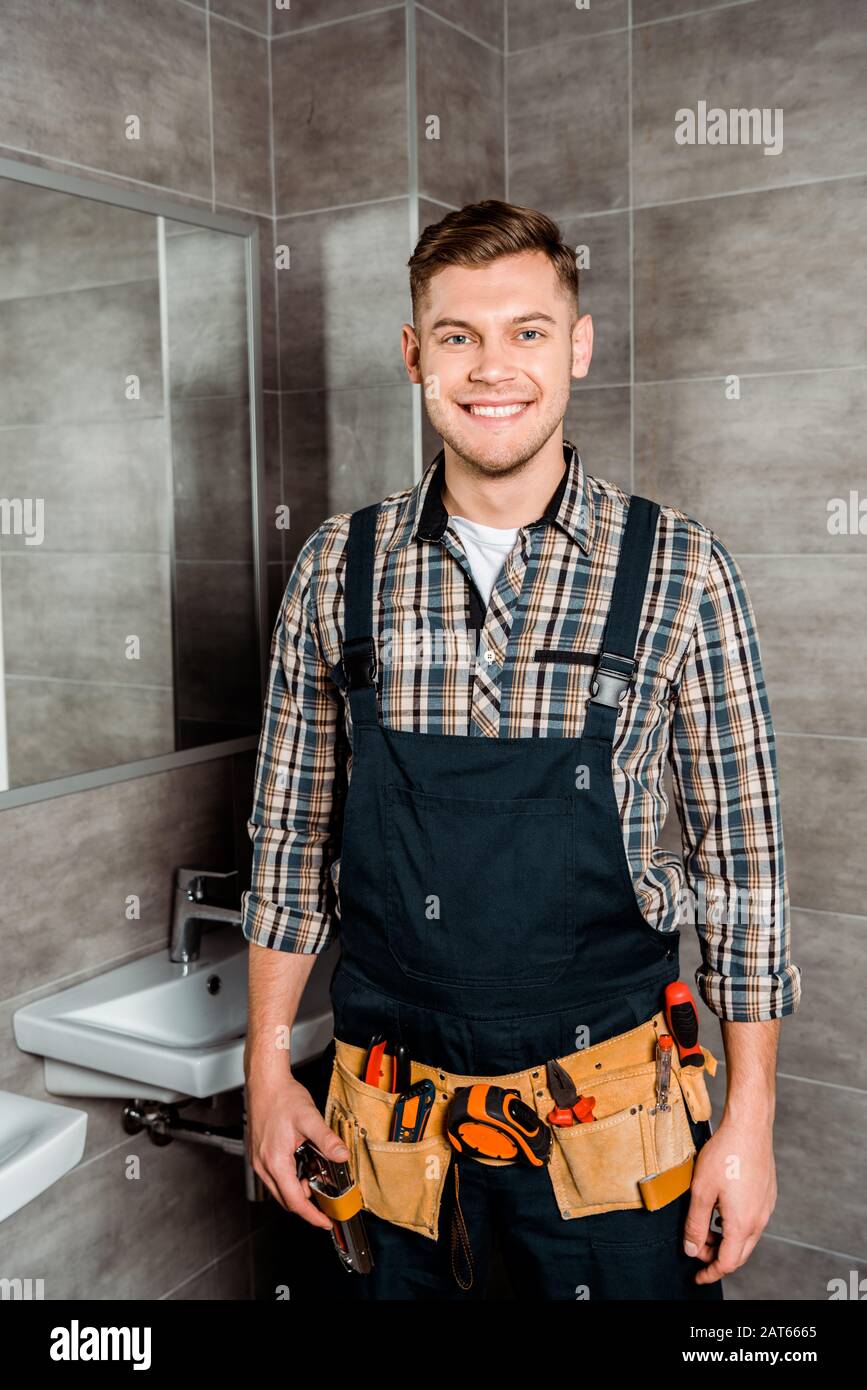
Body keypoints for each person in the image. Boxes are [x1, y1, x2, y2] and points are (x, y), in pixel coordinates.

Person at [241, 199, 801, 1301]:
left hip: (617, 1143)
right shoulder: (334, 568)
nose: (493, 368)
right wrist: (266, 1069)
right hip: (386, 1137)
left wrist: (748, 1120)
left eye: (529, 332)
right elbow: (290, 840)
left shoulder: (682, 570)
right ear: (415, 354)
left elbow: (748, 874)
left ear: (578, 346)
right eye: (458, 336)